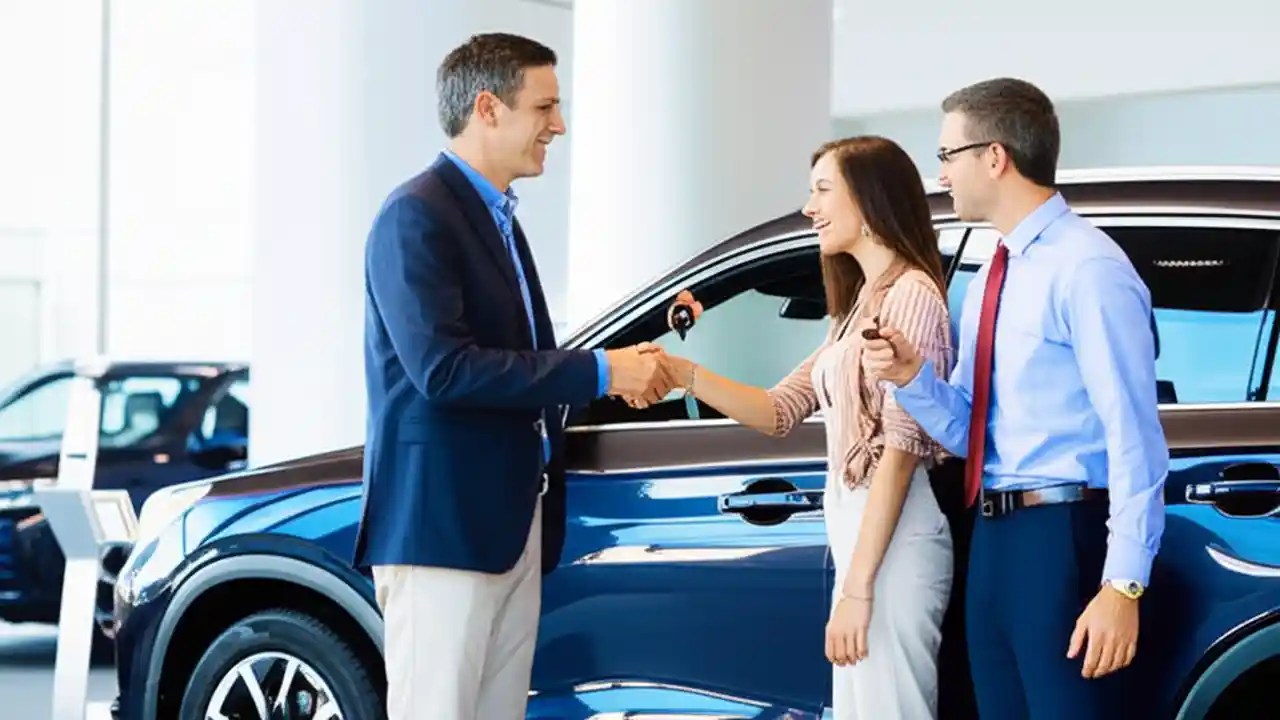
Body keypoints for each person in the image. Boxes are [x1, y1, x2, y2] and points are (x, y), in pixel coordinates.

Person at [352, 32, 672, 720]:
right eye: (545, 107)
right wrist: (599, 371)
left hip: (509, 520)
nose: (559, 126)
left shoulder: (497, 220)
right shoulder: (416, 214)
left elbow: (517, 361)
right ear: (489, 108)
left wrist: (620, 371)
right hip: (443, 527)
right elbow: (446, 370)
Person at [863, 77, 1168, 720]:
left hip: (1063, 535)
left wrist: (1123, 583)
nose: (940, 173)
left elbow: (1133, 435)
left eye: (947, 155)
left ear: (994, 157)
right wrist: (912, 375)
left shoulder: (1088, 269)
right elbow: (970, 429)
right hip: (997, 538)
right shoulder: (992, 273)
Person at [655, 136, 957, 719]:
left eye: (823, 190)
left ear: (869, 202)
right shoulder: (857, 309)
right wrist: (681, 373)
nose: (809, 208)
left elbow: (900, 449)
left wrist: (858, 588)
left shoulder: (913, 296)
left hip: (891, 540)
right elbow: (778, 409)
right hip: (863, 537)